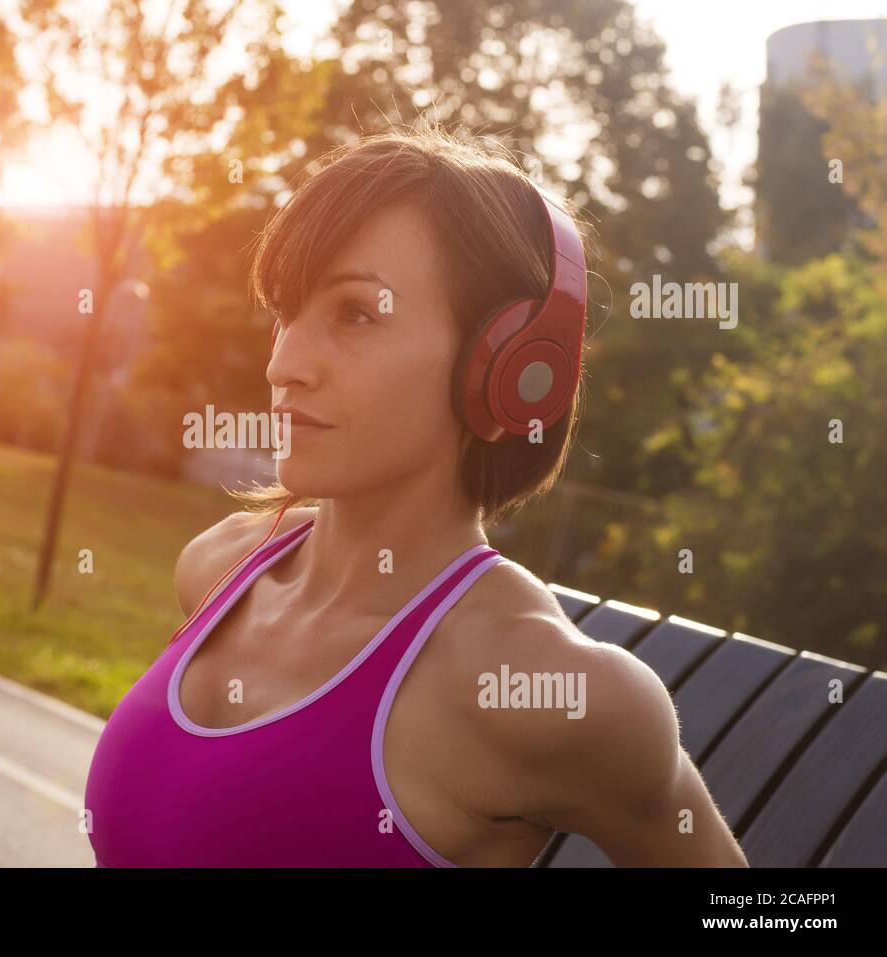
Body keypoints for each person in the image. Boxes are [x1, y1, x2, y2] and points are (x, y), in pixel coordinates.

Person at [83, 120, 749, 867]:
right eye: (284, 313)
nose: (286, 363)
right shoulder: (220, 567)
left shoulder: (544, 690)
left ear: (509, 369)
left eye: (358, 313)